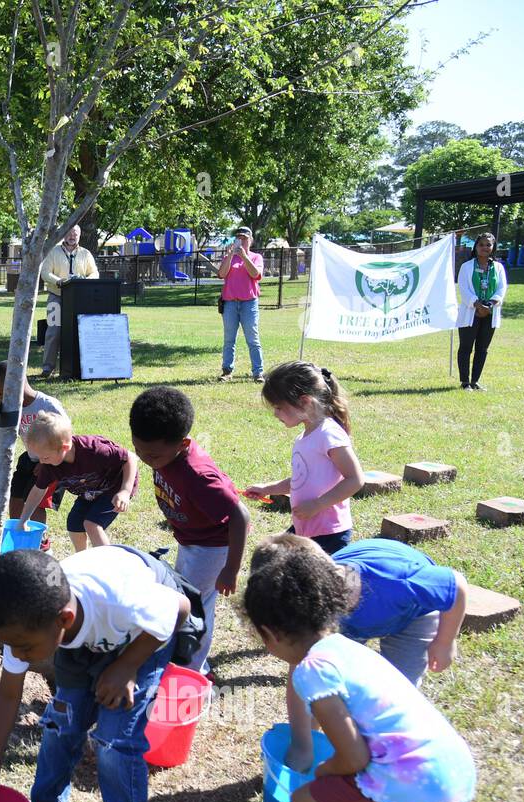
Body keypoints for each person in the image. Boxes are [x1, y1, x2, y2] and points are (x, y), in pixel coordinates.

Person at [243, 541, 476, 802]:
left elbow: (354, 758)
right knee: (396, 782)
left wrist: (322, 772)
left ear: (271, 635)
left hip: (412, 785)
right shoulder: (347, 648)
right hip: (446, 770)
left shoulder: (311, 671)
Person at [0, 547, 192, 802]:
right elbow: (9, 693)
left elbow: (178, 609)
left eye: (24, 647)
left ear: (64, 620)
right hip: (87, 638)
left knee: (113, 740)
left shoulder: (120, 600)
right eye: (9, 645)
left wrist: (127, 665)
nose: (17, 654)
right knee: (60, 723)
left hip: (143, 634)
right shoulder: (31, 622)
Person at [252, 532, 467, 771]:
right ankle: (307, 740)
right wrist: (302, 743)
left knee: (396, 689)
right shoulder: (314, 596)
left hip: (412, 616)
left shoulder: (398, 582)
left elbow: (455, 584)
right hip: (350, 619)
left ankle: (388, 752)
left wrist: (445, 641)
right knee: (314, 674)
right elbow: (302, 673)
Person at [129, 385, 250, 677]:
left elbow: (240, 516)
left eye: (154, 456)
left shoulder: (198, 476)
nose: (146, 459)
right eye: (139, 450)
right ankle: (192, 659)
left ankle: (191, 669)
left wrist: (231, 569)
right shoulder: (164, 452)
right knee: (184, 597)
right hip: (191, 541)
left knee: (195, 608)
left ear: (182, 444)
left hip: (212, 549)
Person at [245, 361, 363, 555]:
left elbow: (355, 479)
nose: (275, 414)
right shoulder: (305, 436)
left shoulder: (329, 434)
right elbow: (301, 480)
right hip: (307, 526)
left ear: (305, 402)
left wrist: (318, 505)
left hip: (329, 533)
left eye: (279, 407)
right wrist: (268, 488)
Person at [18, 411, 139, 552]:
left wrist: (125, 490)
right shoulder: (50, 466)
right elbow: (38, 490)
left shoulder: (94, 451)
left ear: (64, 448)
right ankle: (83, 560)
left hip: (115, 486)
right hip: (90, 492)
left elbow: (129, 458)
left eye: (45, 457)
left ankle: (109, 566)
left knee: (91, 524)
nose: (41, 461)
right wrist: (24, 520)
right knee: (74, 524)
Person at [0, 360, 67, 544]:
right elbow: (0, 439)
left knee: (35, 505)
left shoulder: (47, 405)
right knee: (15, 499)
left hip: (52, 462)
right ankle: (19, 540)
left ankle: (39, 543)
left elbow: (67, 437)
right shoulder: (12, 410)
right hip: (29, 460)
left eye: (0, 395)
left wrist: (44, 463)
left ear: (16, 383)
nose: (0, 401)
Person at [37, 224, 99, 378]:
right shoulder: (53, 252)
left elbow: (95, 273)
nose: (72, 236)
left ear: (79, 235)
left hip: (78, 299)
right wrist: (59, 281)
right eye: (70, 233)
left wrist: (86, 281)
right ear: (64, 235)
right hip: (55, 296)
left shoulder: (86, 254)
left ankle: (80, 367)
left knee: (79, 331)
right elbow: (44, 273)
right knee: (53, 331)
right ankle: (48, 368)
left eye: (75, 234)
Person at [455, 231, 508, 391]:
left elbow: (502, 288)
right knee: (466, 347)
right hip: (471, 312)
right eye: (481, 244)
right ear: (476, 247)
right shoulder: (467, 266)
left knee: (482, 349)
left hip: (490, 314)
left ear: (493, 247)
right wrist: (477, 305)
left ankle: (475, 381)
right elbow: (463, 289)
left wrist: (489, 306)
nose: (485, 247)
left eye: (488, 245)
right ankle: (465, 382)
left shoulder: (498, 267)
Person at [216, 226, 265, 383]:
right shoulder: (228, 257)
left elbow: (255, 274)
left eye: (244, 238)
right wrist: (230, 255)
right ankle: (227, 371)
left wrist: (244, 256)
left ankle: (258, 372)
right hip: (230, 303)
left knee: (253, 338)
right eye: (238, 238)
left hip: (249, 304)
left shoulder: (256, 257)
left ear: (250, 240)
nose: (241, 241)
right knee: (229, 339)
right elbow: (221, 274)